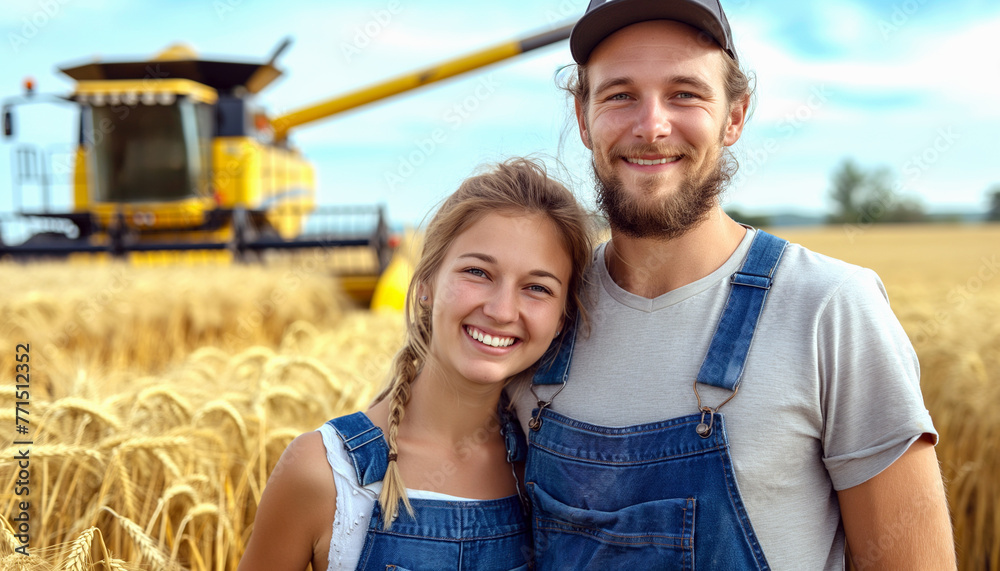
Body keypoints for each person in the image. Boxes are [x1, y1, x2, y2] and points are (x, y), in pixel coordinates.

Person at [513, 1, 956, 569]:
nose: (651, 126)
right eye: (620, 95)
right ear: (583, 117)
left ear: (735, 116)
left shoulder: (832, 309)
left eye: (685, 94)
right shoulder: (536, 312)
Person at [237, 157, 593, 570]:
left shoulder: (547, 476)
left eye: (537, 287)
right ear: (425, 285)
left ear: (562, 317)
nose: (500, 310)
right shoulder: (323, 473)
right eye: (478, 271)